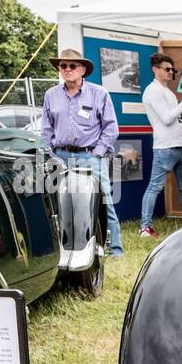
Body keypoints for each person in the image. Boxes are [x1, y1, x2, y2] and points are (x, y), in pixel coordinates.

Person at [40, 48, 123, 257]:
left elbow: (111, 128)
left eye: (72, 65)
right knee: (61, 203)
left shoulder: (99, 93)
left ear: (83, 70)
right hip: (60, 157)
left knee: (104, 202)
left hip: (89, 156)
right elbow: (46, 129)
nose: (67, 69)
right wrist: (51, 154)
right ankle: (66, 248)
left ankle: (115, 249)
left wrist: (97, 152)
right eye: (63, 66)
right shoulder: (51, 95)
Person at [139, 52, 182, 237]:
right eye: (167, 69)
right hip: (165, 147)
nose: (171, 72)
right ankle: (145, 227)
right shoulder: (152, 91)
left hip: (181, 146)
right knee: (155, 186)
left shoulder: (169, 92)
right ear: (155, 69)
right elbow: (167, 118)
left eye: (173, 69)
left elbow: (176, 120)